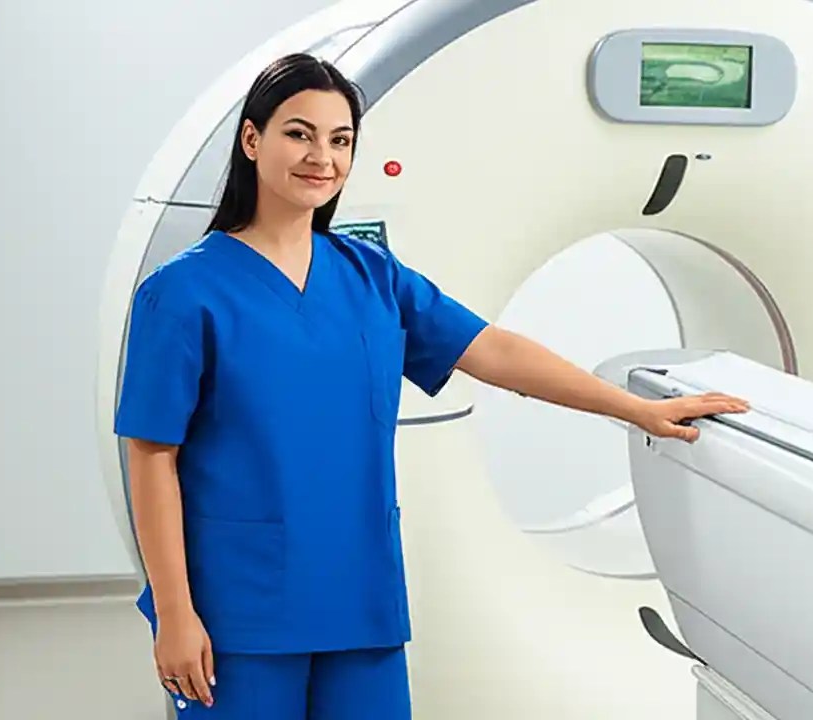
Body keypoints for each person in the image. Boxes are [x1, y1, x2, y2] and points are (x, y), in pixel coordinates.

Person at [114, 52, 749, 719]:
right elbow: (153, 456)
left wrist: (636, 408)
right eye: (298, 133)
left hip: (359, 595)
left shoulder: (372, 275)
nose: (320, 157)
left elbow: (495, 351)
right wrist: (176, 614)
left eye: (340, 140)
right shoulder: (183, 293)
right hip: (238, 605)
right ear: (252, 140)